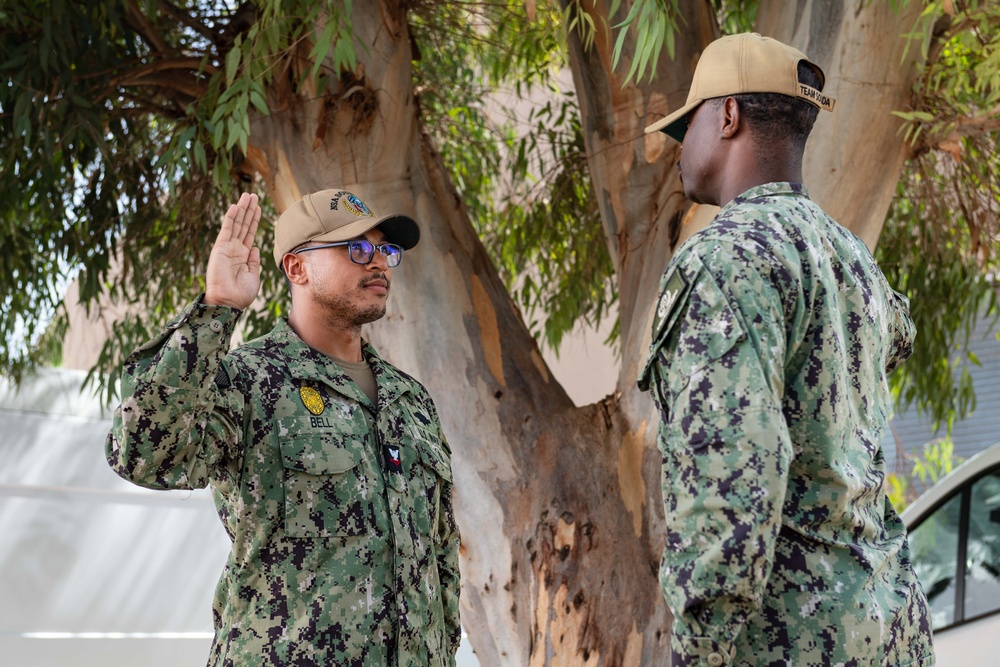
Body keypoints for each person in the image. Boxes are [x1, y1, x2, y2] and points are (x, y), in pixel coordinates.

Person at [638, 33, 934, 666]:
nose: (678, 148)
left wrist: (701, 653)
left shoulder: (723, 261)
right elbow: (897, 339)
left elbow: (729, 485)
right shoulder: (849, 257)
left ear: (726, 116)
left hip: (792, 646)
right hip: (889, 630)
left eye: (685, 125)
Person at [106, 188, 461, 666]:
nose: (377, 262)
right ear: (298, 268)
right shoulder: (249, 379)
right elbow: (145, 456)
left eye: (385, 250)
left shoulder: (412, 400)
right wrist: (216, 309)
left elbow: (440, 554)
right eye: (357, 249)